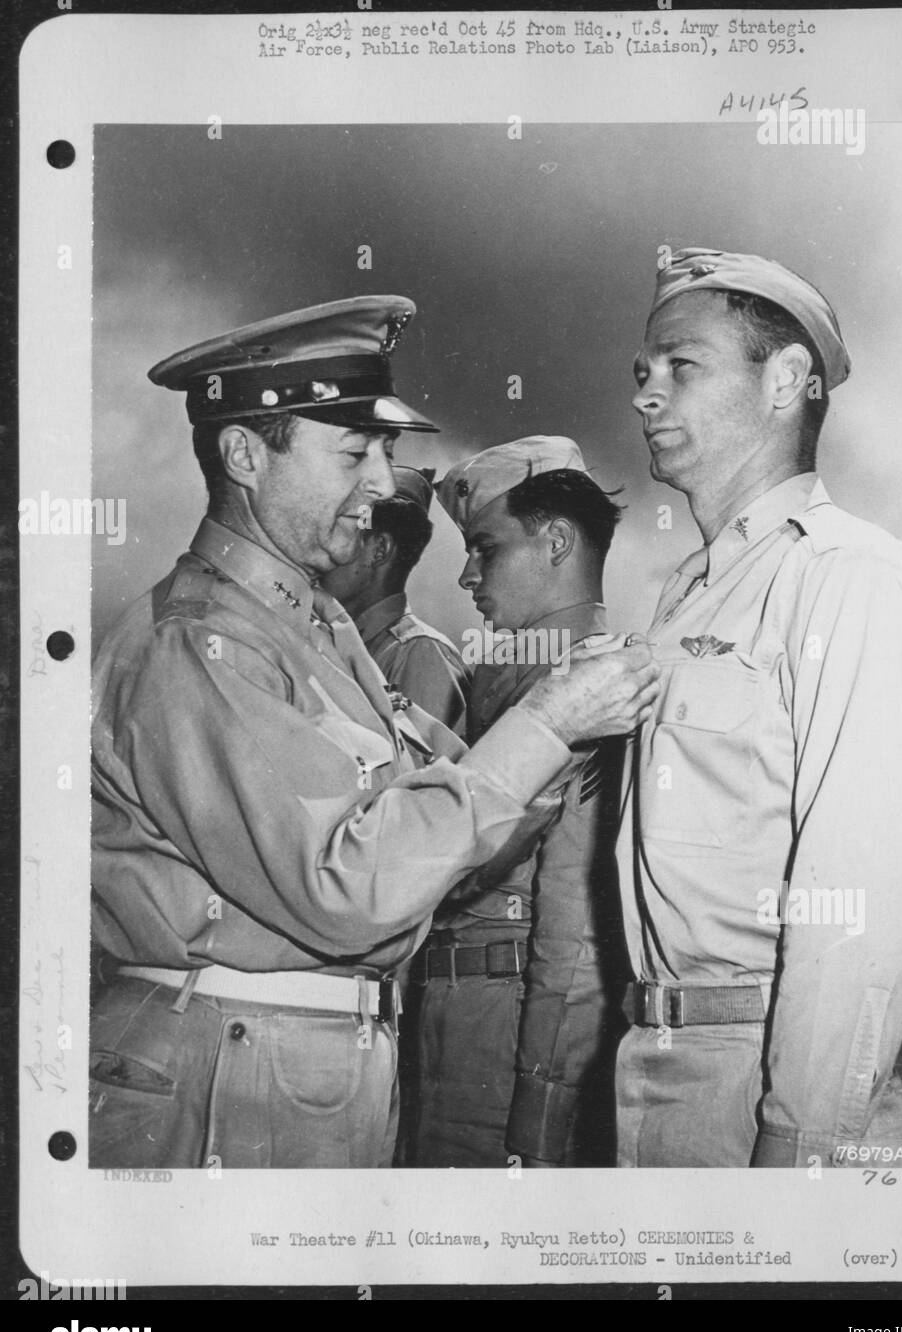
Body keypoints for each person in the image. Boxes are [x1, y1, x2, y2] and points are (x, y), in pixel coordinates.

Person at [88, 295, 659, 1170]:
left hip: (285, 1066)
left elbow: (440, 799)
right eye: (355, 452)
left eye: (385, 452)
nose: (385, 485)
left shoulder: (312, 631)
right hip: (223, 1072)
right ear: (244, 453)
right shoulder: (200, 643)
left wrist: (567, 729)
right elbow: (352, 882)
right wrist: (550, 721)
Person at [617, 248, 902, 1168]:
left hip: (773, 1080)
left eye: (681, 367)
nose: (646, 394)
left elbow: (861, 908)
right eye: (643, 373)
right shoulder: (692, 595)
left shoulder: (848, 579)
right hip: (664, 1066)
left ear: (787, 381)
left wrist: (803, 1155)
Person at [409, 438, 630, 1167]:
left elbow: (576, 937)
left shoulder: (596, 689)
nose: (468, 574)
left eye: (486, 548)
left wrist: (542, 1113)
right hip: (448, 1024)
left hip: (508, 1047)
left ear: (556, 540)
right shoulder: (497, 681)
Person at [322, 466, 471, 734]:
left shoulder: (420, 654)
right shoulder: (344, 642)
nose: (319, 556)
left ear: (379, 550)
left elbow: (421, 769)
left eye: (336, 538)